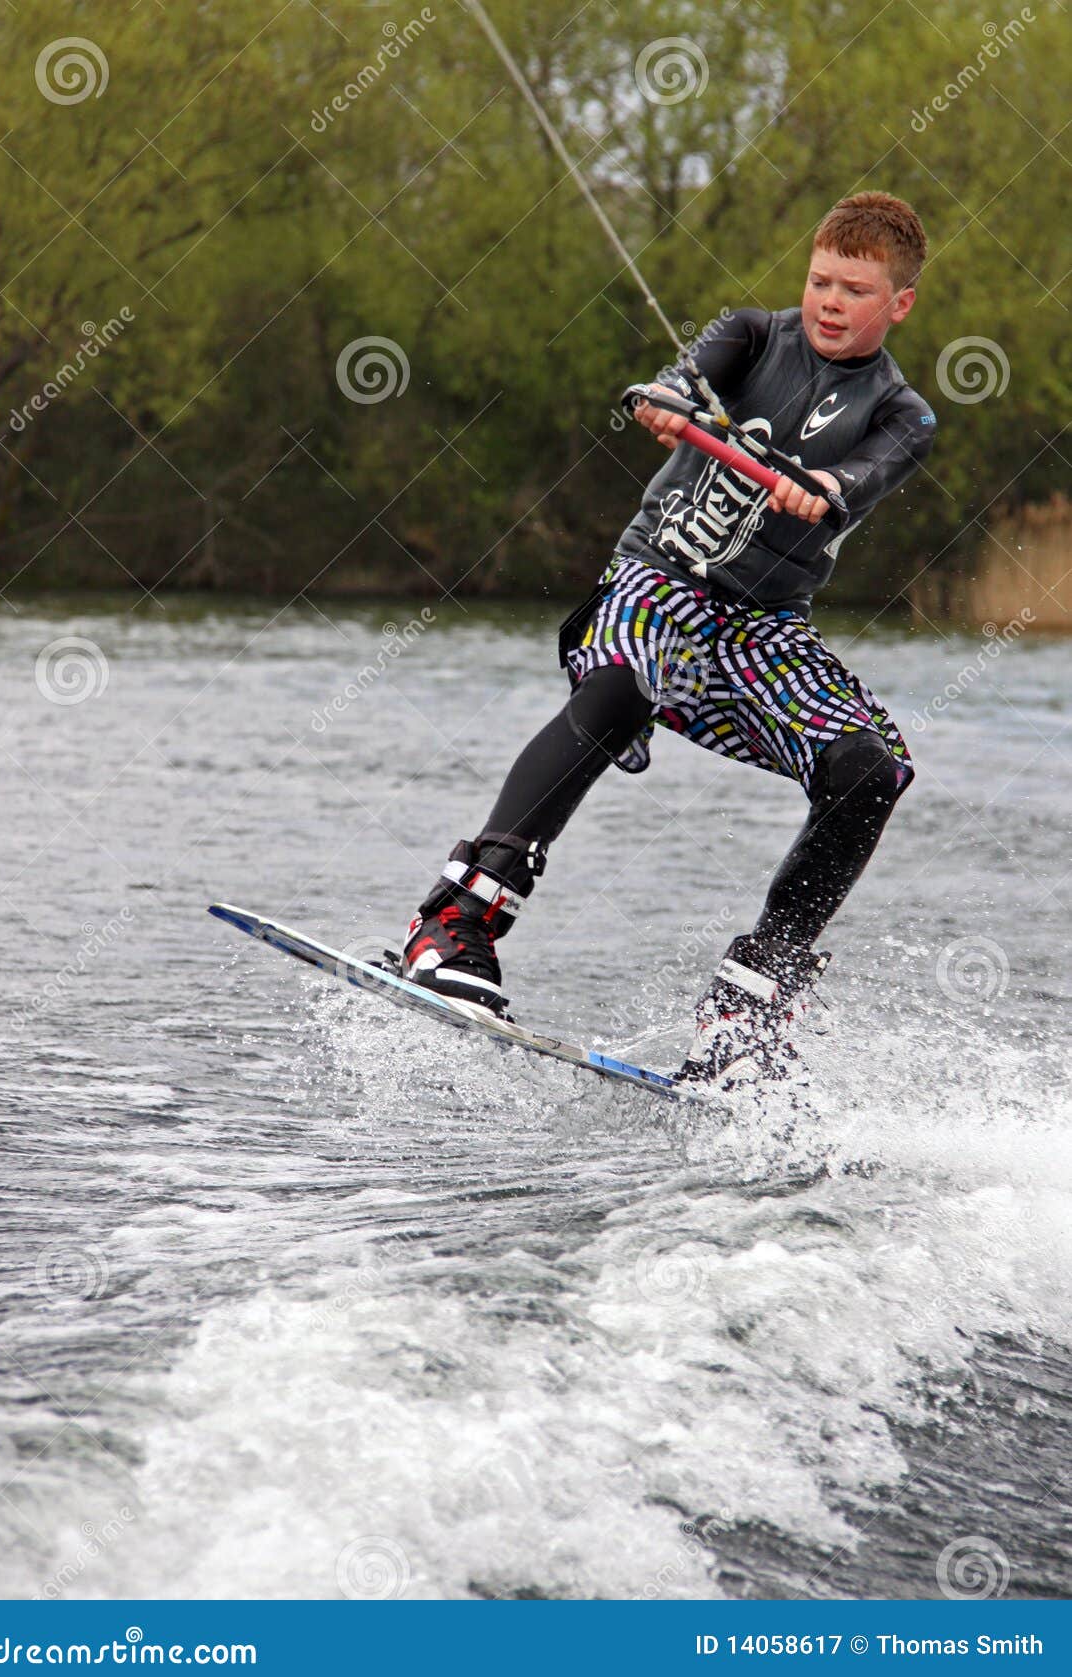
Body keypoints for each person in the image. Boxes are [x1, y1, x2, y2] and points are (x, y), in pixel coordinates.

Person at [400, 191, 938, 1089]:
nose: (829, 302)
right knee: (621, 686)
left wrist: (823, 488)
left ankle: (750, 1003)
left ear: (899, 304)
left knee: (869, 772)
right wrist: (668, 401)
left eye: (854, 290)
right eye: (819, 281)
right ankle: (455, 922)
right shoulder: (750, 336)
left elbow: (866, 473)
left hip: (763, 628)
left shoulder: (902, 415)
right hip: (657, 579)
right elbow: (685, 379)